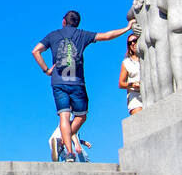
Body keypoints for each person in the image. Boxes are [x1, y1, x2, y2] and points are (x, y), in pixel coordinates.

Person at [33, 10, 134, 163]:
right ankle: (64, 145)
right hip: (77, 82)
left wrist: (47, 70)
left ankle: (67, 151)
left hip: (58, 81)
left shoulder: (53, 35)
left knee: (64, 115)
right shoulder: (82, 34)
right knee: (81, 116)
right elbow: (106, 36)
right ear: (77, 23)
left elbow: (36, 51)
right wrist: (127, 29)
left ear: (63, 21)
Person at [119, 33, 142, 114]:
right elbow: (121, 84)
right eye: (130, 43)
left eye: (135, 41)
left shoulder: (146, 56)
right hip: (135, 95)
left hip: (150, 91)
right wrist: (132, 84)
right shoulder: (126, 63)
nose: (132, 44)